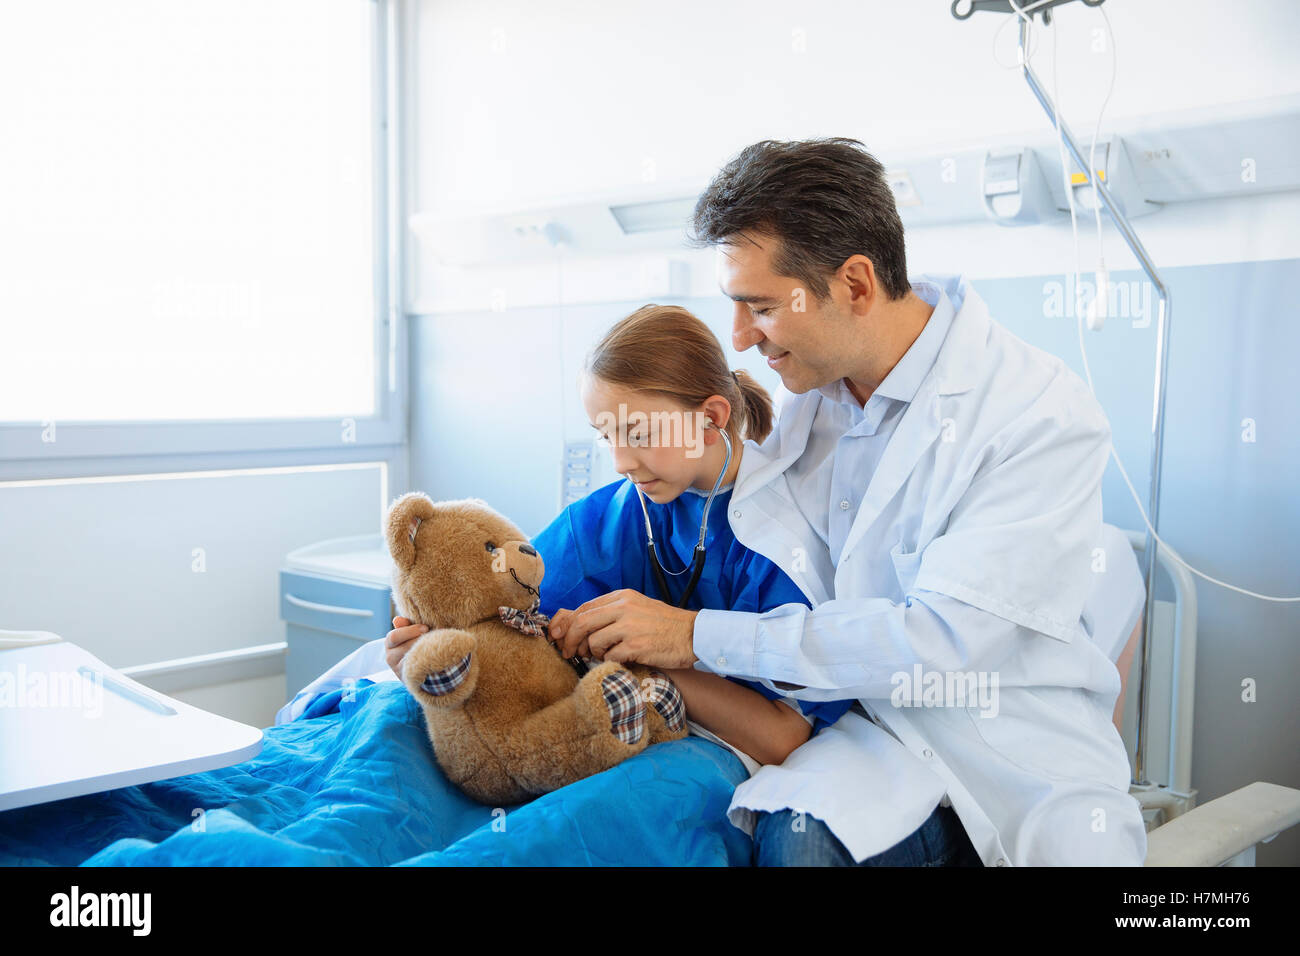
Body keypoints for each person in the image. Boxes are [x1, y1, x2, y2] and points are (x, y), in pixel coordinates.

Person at [548, 138, 1148, 867]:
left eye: (760, 308)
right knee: (794, 839)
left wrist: (694, 638)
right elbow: (676, 501)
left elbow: (942, 645)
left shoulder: (1037, 413)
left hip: (1009, 756)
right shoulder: (802, 409)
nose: (740, 338)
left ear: (856, 285)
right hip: (866, 742)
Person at [385, 303, 855, 774]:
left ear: (710, 420)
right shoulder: (615, 515)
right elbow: (495, 612)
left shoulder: (776, 544)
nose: (621, 462)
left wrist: (658, 653)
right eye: (607, 437)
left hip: (688, 756)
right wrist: (424, 644)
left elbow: (784, 736)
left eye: (638, 433)